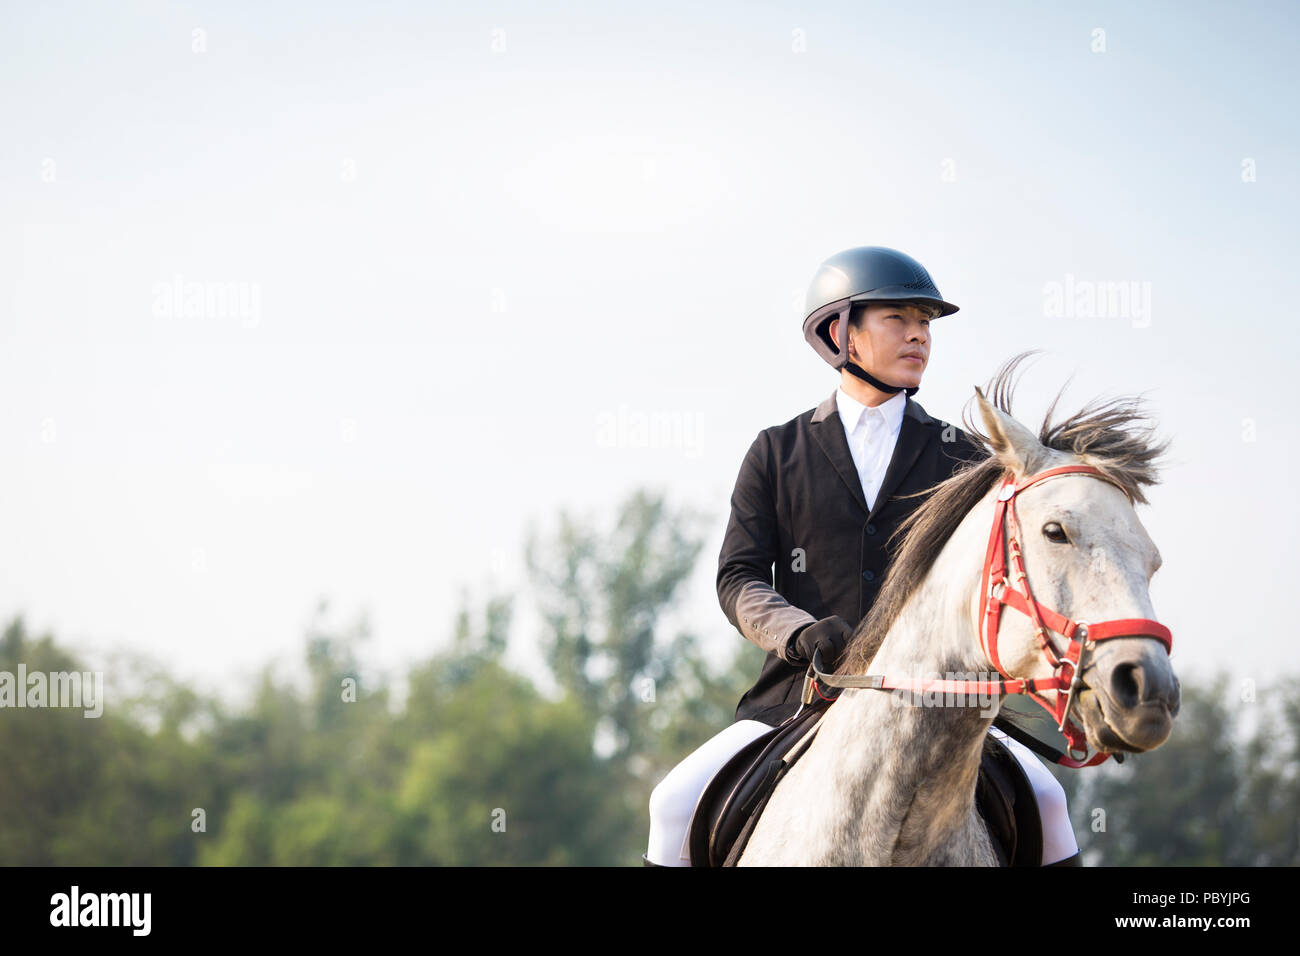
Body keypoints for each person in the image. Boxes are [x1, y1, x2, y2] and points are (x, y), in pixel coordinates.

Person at [644, 245, 1081, 866]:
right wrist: (798, 633)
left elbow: (994, 582)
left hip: (939, 704)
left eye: (925, 324)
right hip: (800, 694)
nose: (918, 337)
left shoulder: (963, 457)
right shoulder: (776, 451)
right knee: (673, 805)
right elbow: (738, 577)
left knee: (1049, 803)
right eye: (898, 319)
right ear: (837, 332)